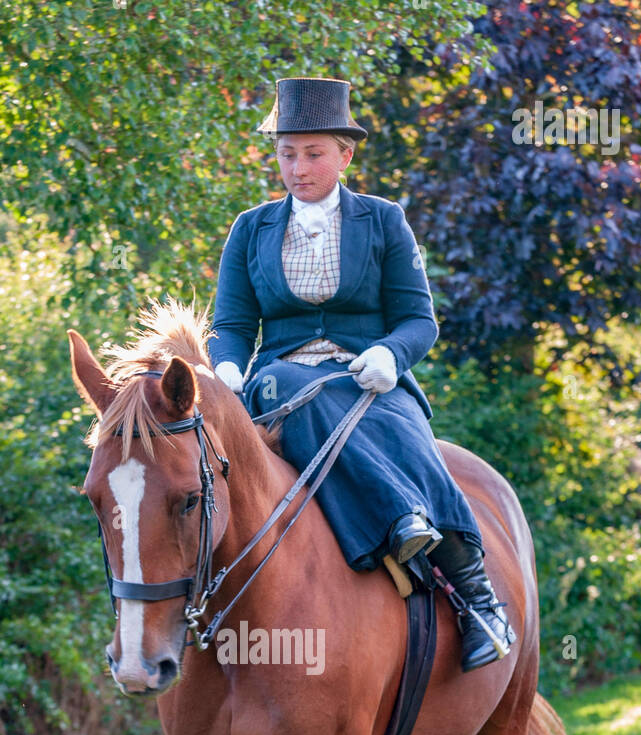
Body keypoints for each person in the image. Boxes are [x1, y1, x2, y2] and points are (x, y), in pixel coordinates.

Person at [209, 76, 512, 671]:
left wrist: (390, 356)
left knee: (408, 434)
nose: (297, 167)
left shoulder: (384, 221)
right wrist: (224, 367)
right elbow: (233, 323)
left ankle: (478, 599)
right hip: (278, 381)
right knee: (279, 406)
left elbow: (418, 320)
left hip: (367, 378)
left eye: (313, 153)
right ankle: (398, 521)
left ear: (345, 154)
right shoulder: (251, 228)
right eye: (287, 153)